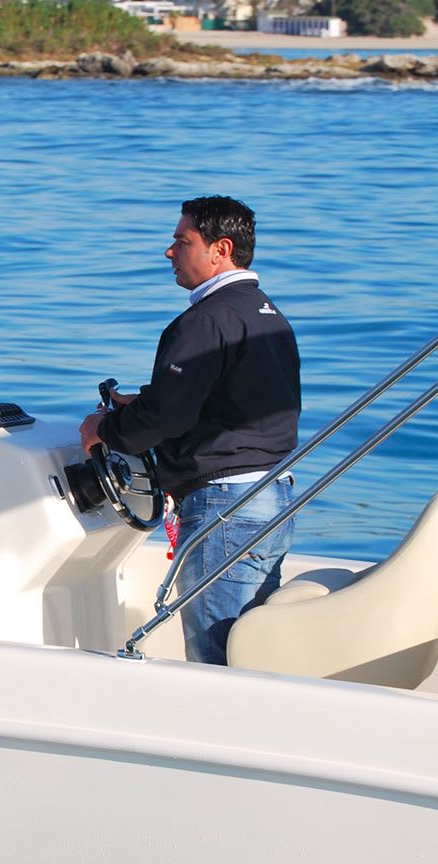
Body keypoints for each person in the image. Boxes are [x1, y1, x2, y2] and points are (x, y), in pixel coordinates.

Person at [80, 196, 301, 665]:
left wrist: (106, 428)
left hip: (226, 510)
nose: (169, 251)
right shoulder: (265, 313)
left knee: (217, 662)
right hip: (271, 500)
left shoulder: (203, 321)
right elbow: (236, 398)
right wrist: (145, 400)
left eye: (182, 241)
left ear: (220, 250)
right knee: (252, 654)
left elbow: (166, 422)